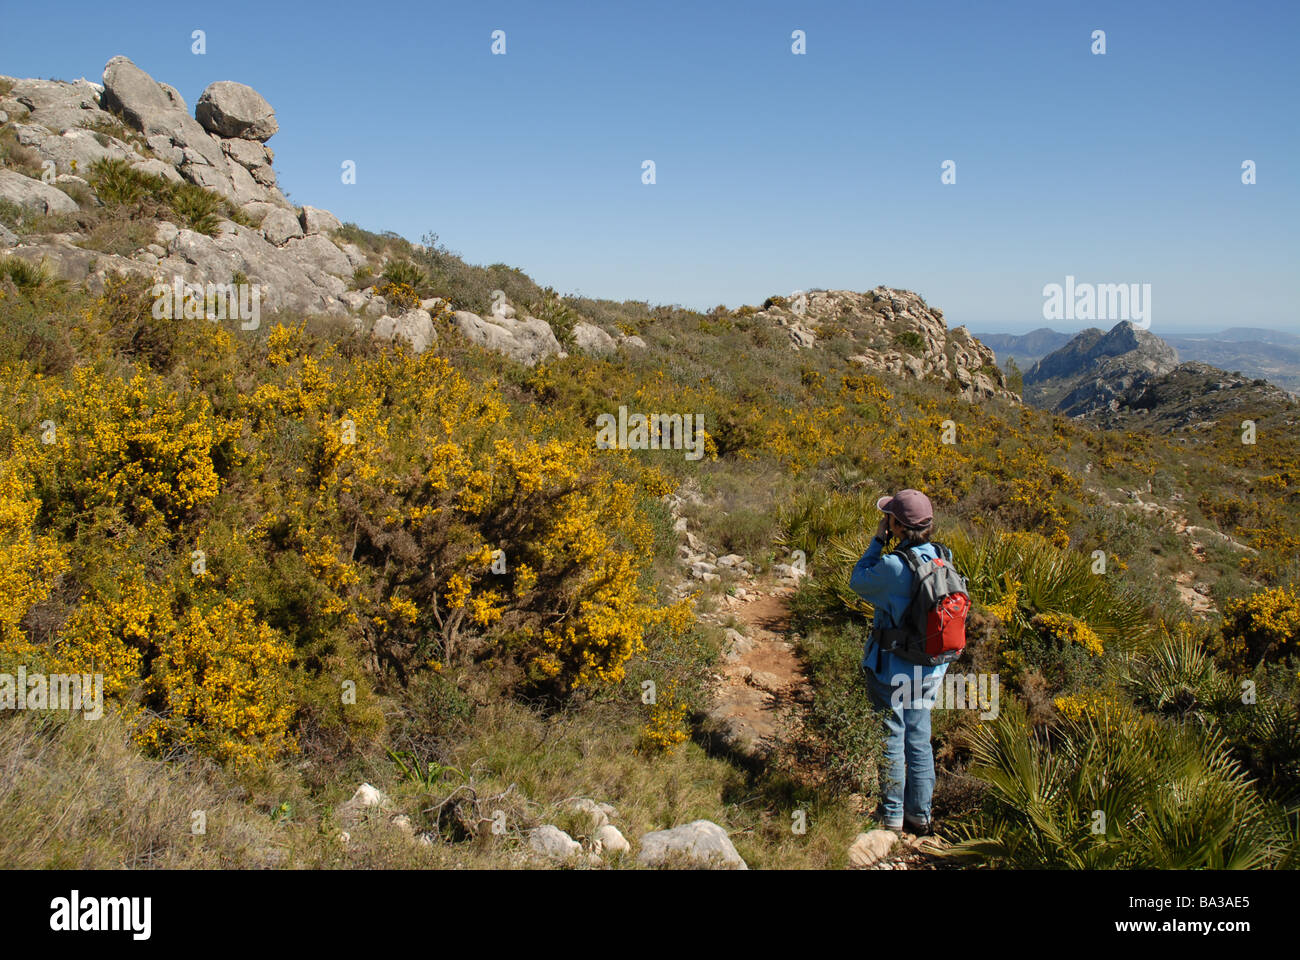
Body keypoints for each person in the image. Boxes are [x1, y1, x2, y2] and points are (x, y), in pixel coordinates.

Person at [849, 488, 948, 835]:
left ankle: (891, 816)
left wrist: (878, 541)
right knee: (919, 739)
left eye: (889, 517)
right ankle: (919, 817)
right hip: (931, 667)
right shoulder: (941, 556)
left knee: (892, 736)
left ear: (896, 524)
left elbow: (858, 580)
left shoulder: (893, 566)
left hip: (893, 668)